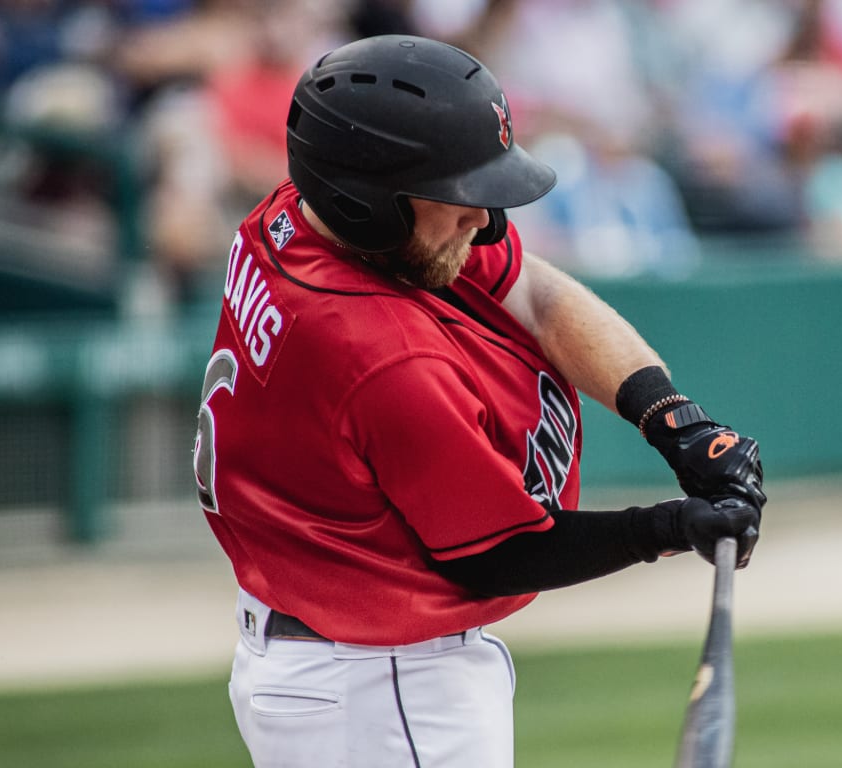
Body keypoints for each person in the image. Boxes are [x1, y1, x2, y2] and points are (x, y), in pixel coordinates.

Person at [190, 34, 766, 767]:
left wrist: (673, 421)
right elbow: (497, 553)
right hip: (378, 690)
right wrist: (669, 526)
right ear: (365, 200)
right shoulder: (375, 353)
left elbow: (538, 295)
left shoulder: (303, 219)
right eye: (461, 199)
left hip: (339, 662)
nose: (486, 220)